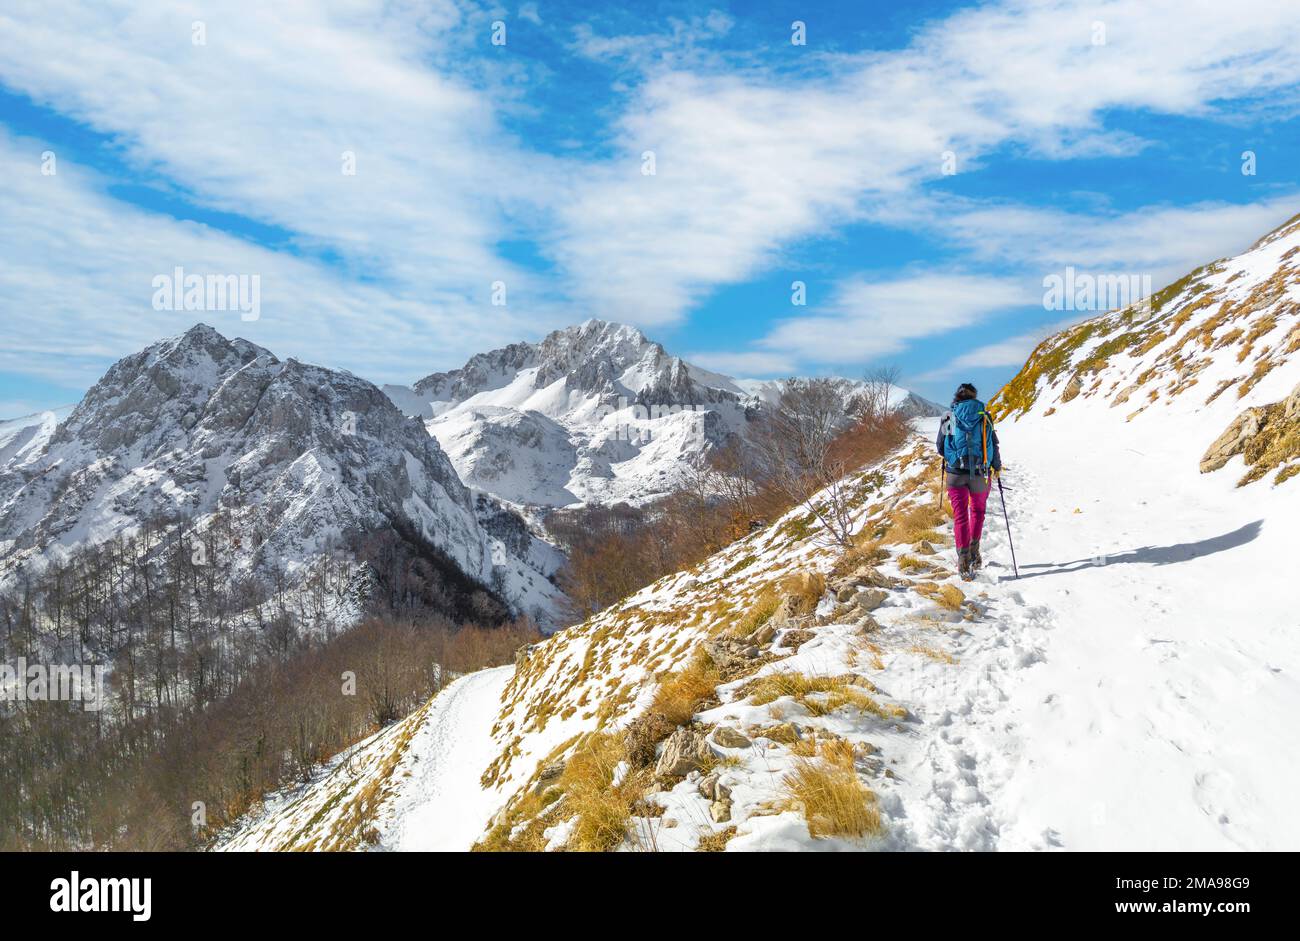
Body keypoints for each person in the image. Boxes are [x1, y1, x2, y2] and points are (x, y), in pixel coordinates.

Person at [935, 383, 1001, 580]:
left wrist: (953, 457)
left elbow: (940, 446)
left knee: (961, 515)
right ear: (975, 398)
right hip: (980, 474)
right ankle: (975, 551)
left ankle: (963, 559)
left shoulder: (949, 417)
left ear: (957, 397)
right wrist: (996, 466)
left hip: (955, 473)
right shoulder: (985, 417)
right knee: (978, 511)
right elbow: (993, 444)